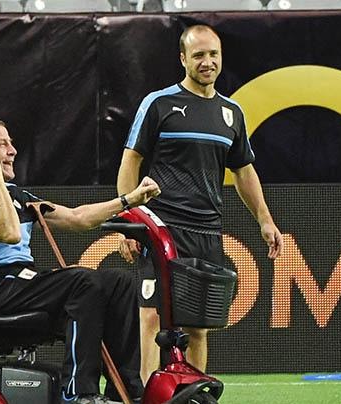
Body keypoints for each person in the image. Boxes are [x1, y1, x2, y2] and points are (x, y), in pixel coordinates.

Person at [0, 119, 161, 404]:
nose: (13, 151)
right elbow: (7, 232)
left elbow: (77, 218)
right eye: (3, 144)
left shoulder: (16, 196)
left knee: (120, 282)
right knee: (82, 282)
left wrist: (129, 200)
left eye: (10, 143)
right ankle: (78, 393)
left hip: (20, 284)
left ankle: (126, 391)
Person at [116, 24, 284, 383]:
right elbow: (130, 161)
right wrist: (129, 221)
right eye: (198, 56)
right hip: (161, 230)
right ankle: (150, 394)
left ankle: (192, 392)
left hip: (207, 231)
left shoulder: (231, 113)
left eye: (213, 55)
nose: (207, 62)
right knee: (151, 317)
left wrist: (266, 221)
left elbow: (243, 171)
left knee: (198, 327)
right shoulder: (159, 104)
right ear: (183, 59)